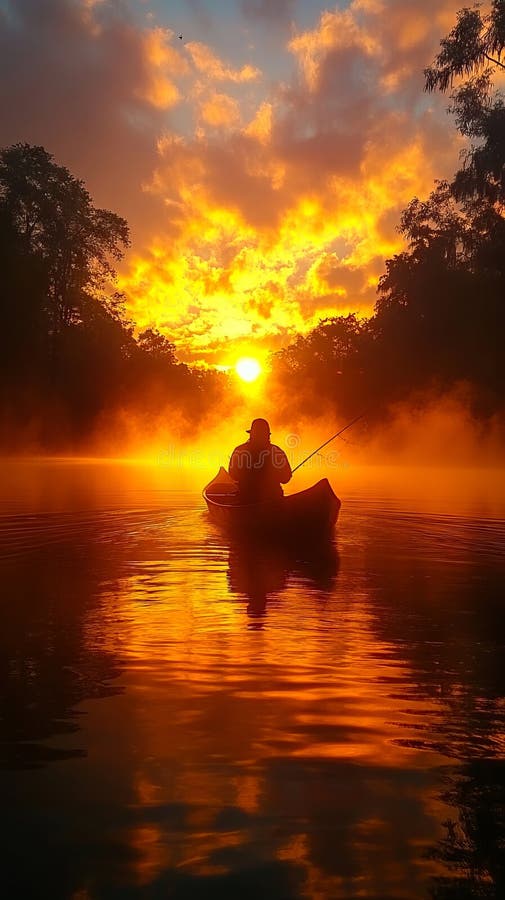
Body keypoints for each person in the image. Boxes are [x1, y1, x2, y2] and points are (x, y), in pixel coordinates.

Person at [229, 418, 292, 503]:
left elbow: (233, 475)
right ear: (267, 435)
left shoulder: (240, 450)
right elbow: (286, 478)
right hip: (274, 499)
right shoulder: (277, 451)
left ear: (251, 434)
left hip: (246, 499)